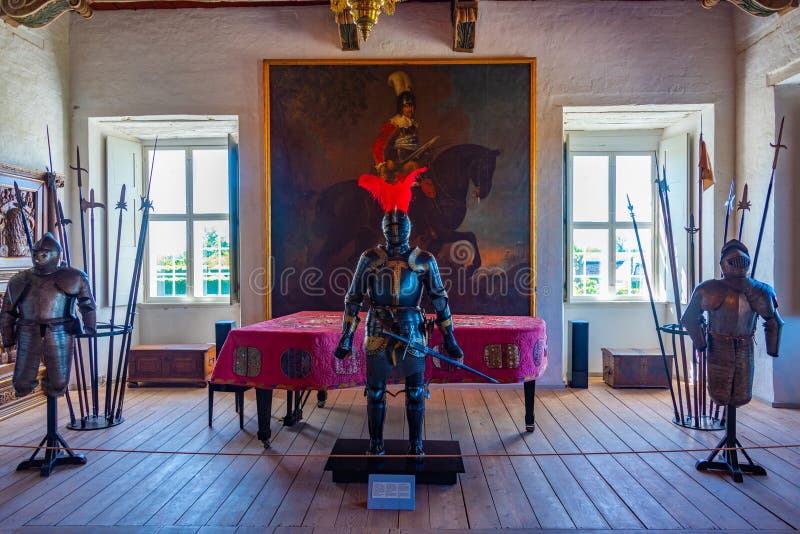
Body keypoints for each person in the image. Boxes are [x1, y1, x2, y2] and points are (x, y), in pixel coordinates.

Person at [334, 206, 463, 457]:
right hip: (378, 325)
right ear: (383, 230)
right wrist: (346, 337)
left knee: (415, 391)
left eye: (399, 228)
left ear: (408, 230)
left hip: (412, 325)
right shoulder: (370, 258)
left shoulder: (424, 260)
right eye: (390, 228)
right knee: (375, 391)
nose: (395, 232)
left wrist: (450, 339)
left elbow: (439, 300)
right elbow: (354, 298)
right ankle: (375, 444)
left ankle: (416, 445)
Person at [681, 239, 783, 407]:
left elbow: (690, 319)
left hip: (730, 345)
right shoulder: (761, 290)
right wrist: (772, 350)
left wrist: (701, 344)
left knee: (739, 395)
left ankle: (730, 430)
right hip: (725, 345)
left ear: (723, 265)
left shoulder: (709, 288)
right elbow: (774, 323)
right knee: (722, 395)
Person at [0, 232, 96, 398]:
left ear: (55, 254)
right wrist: (8, 338)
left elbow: (87, 305)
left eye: (44, 253)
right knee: (22, 383)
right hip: (27, 329)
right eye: (35, 253)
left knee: (58, 382)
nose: (38, 257)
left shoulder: (73, 276)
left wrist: (90, 328)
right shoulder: (19, 279)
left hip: (60, 329)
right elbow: (7, 312)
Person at [372, 71, 436, 198]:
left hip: (411, 165)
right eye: (407, 106)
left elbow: (413, 149)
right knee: (413, 167)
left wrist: (424, 151)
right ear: (401, 107)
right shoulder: (394, 124)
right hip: (396, 167)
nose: (410, 109)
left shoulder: (412, 126)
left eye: (412, 106)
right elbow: (379, 146)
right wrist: (386, 164)